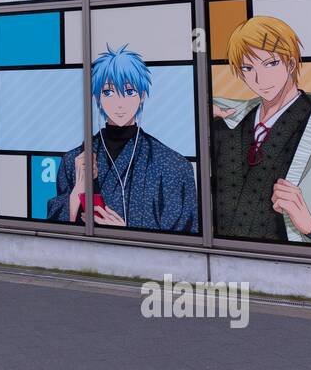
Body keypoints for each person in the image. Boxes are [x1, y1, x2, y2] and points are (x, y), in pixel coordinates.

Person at [210, 16, 311, 245]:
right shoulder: (230, 120)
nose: (260, 79)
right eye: (248, 68)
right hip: (225, 253)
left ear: (290, 63)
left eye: (271, 63)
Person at [48, 46, 199, 231]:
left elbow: (185, 236)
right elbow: (54, 231)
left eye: (129, 92)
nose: (119, 103)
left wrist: (127, 231)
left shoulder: (172, 165)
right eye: (108, 92)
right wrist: (77, 192)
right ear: (97, 98)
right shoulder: (74, 161)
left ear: (142, 96)